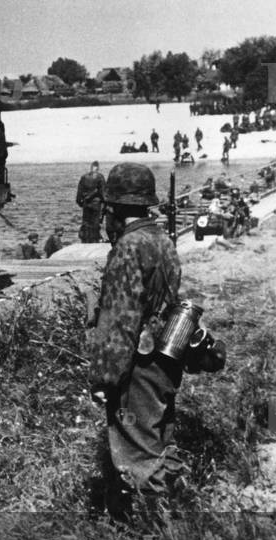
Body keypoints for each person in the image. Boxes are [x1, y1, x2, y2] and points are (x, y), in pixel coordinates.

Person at [85, 163, 188, 516]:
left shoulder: (128, 248)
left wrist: (104, 377)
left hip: (137, 366)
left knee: (138, 456)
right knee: (161, 443)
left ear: (113, 209)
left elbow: (120, 319)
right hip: (165, 358)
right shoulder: (162, 240)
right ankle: (177, 515)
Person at [76, 161, 105, 243]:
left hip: (86, 203)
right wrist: (105, 204)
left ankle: (86, 239)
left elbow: (79, 192)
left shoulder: (84, 177)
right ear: (98, 168)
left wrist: (80, 202)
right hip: (96, 203)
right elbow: (103, 192)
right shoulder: (100, 177)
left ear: (91, 167)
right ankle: (94, 239)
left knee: (86, 222)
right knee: (95, 222)